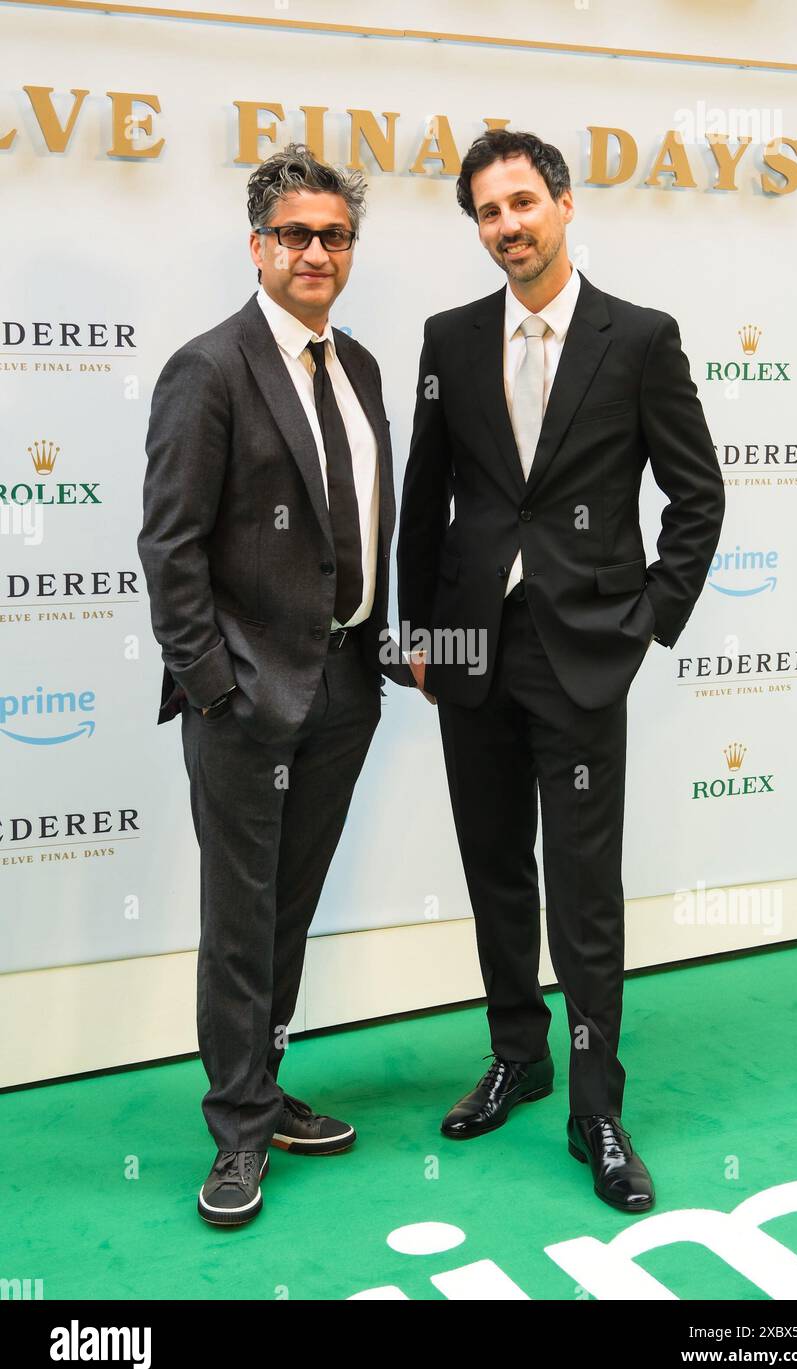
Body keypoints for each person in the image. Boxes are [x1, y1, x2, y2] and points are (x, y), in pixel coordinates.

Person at [397, 128, 725, 1214]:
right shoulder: (447, 338)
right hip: (468, 651)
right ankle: (516, 1054)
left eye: (522, 203)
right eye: (488, 213)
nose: (507, 227)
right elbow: (423, 501)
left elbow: (696, 496)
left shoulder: (637, 338)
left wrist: (645, 622)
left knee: (584, 891)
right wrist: (420, 640)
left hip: (582, 653)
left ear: (565, 204)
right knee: (494, 865)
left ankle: (595, 1104)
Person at [138, 143, 410, 1227]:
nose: (313, 250)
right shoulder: (209, 368)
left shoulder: (363, 368)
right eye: (293, 233)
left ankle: (266, 1082)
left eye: (331, 234)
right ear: (257, 245)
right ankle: (237, 1130)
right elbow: (169, 545)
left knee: (287, 912)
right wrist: (212, 685)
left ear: (350, 250)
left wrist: (386, 648)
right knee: (240, 917)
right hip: (247, 696)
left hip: (344, 683)